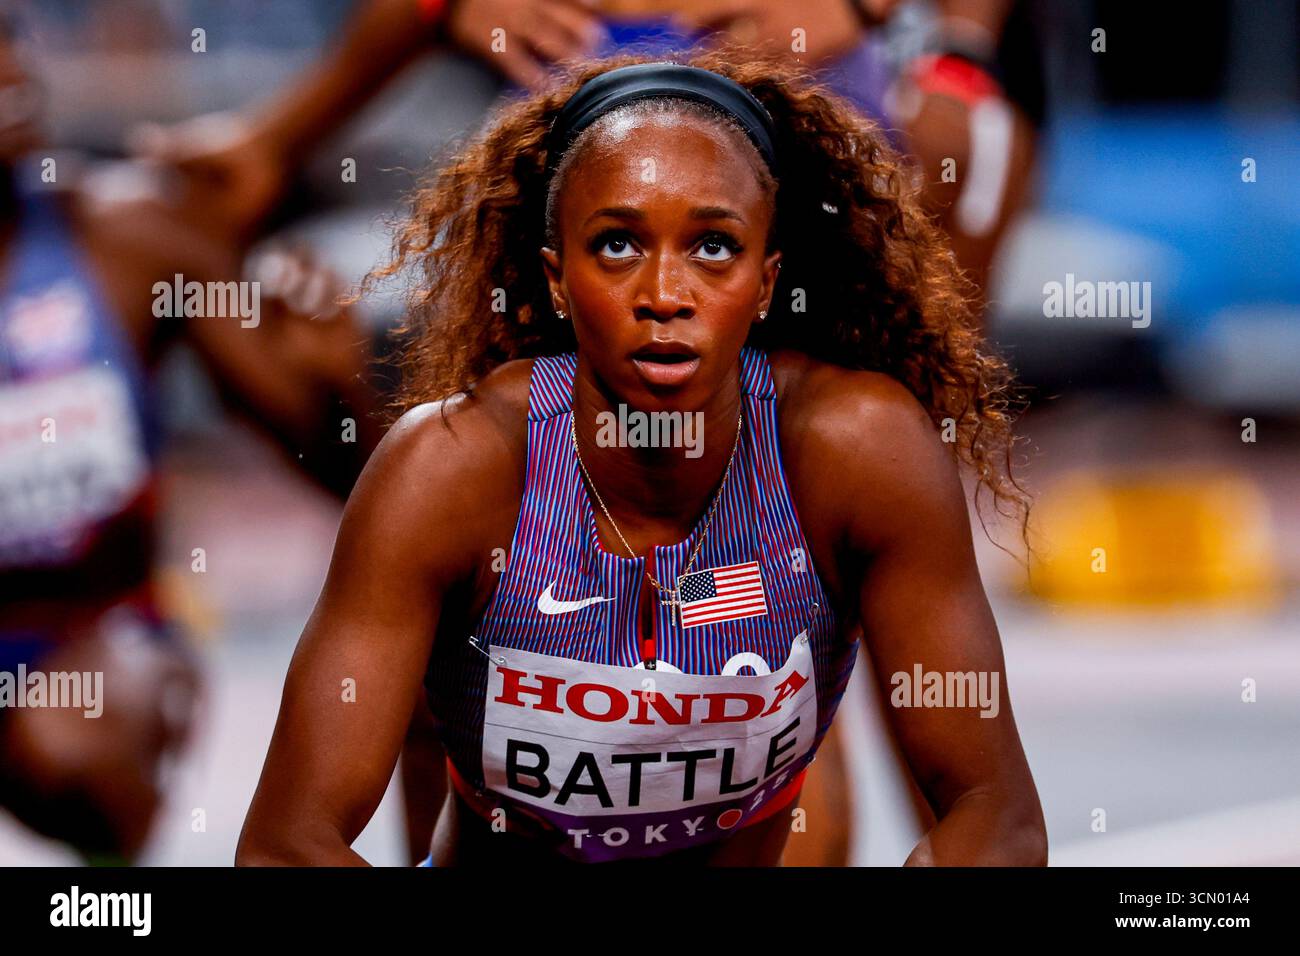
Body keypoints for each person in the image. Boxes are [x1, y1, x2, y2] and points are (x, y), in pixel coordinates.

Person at [237, 51, 1046, 866]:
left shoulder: (859, 452)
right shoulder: (450, 469)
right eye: (618, 245)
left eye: (714, 247)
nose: (665, 293)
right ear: (557, 279)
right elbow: (285, 846)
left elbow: (996, 814)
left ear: (767, 283)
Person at [0, 21, 380, 863]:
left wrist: (335, 384)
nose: (10, 68)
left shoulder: (128, 235)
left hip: (87, 634)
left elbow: (341, 469)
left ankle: (108, 907)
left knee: (86, 737)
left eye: (7, 38)